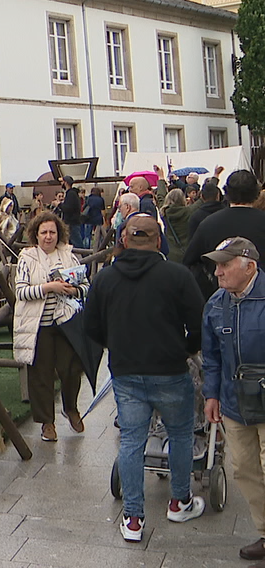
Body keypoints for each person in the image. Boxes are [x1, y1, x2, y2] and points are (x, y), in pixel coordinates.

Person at [84, 215, 206, 543]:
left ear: (123, 239)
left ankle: (134, 518)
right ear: (158, 240)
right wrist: (185, 349)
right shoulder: (176, 275)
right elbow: (199, 322)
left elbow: (92, 328)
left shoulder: (105, 279)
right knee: (180, 435)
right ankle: (180, 501)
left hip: (127, 371)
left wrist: (117, 345)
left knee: (131, 440)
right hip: (169, 369)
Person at [201, 237, 265, 566]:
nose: (217, 271)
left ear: (249, 266)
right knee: (244, 468)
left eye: (225, 264)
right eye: (217, 264)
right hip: (233, 399)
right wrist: (211, 394)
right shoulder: (215, 303)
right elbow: (210, 357)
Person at [14, 212, 87, 442]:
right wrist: (49, 287)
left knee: (71, 369)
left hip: (65, 323)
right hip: (39, 326)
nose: (48, 237)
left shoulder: (68, 255)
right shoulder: (27, 258)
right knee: (41, 375)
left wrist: (72, 289)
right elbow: (21, 291)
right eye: (44, 232)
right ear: (36, 234)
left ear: (59, 234)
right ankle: (47, 422)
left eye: (52, 232)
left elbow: (85, 285)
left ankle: (71, 407)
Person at [184, 170, 265, 299]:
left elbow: (190, 262)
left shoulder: (208, 224)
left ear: (226, 193)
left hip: (221, 296)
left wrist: (210, 285)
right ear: (257, 193)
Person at [161, 189, 195, 264]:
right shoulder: (189, 212)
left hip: (171, 252)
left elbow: (160, 197)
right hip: (187, 251)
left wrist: (161, 179)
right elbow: (201, 202)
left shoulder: (164, 213)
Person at [59, 177, 85, 249]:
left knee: (76, 242)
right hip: (73, 221)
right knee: (72, 242)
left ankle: (85, 257)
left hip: (71, 222)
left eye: (62, 182)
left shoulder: (70, 194)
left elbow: (68, 208)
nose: (61, 184)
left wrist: (59, 205)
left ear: (66, 183)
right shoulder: (73, 194)